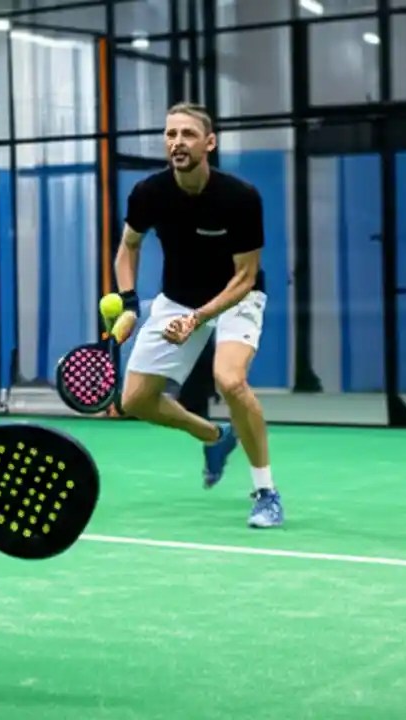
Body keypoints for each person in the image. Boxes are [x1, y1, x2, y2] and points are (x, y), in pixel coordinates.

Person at [109, 102, 283, 530]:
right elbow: (128, 247)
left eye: (187, 134)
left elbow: (245, 276)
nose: (177, 143)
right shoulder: (148, 193)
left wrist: (198, 318)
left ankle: (266, 492)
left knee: (230, 380)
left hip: (236, 297)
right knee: (135, 401)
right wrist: (130, 303)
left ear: (209, 142)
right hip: (178, 298)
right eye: (170, 135)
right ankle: (215, 436)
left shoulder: (240, 198)